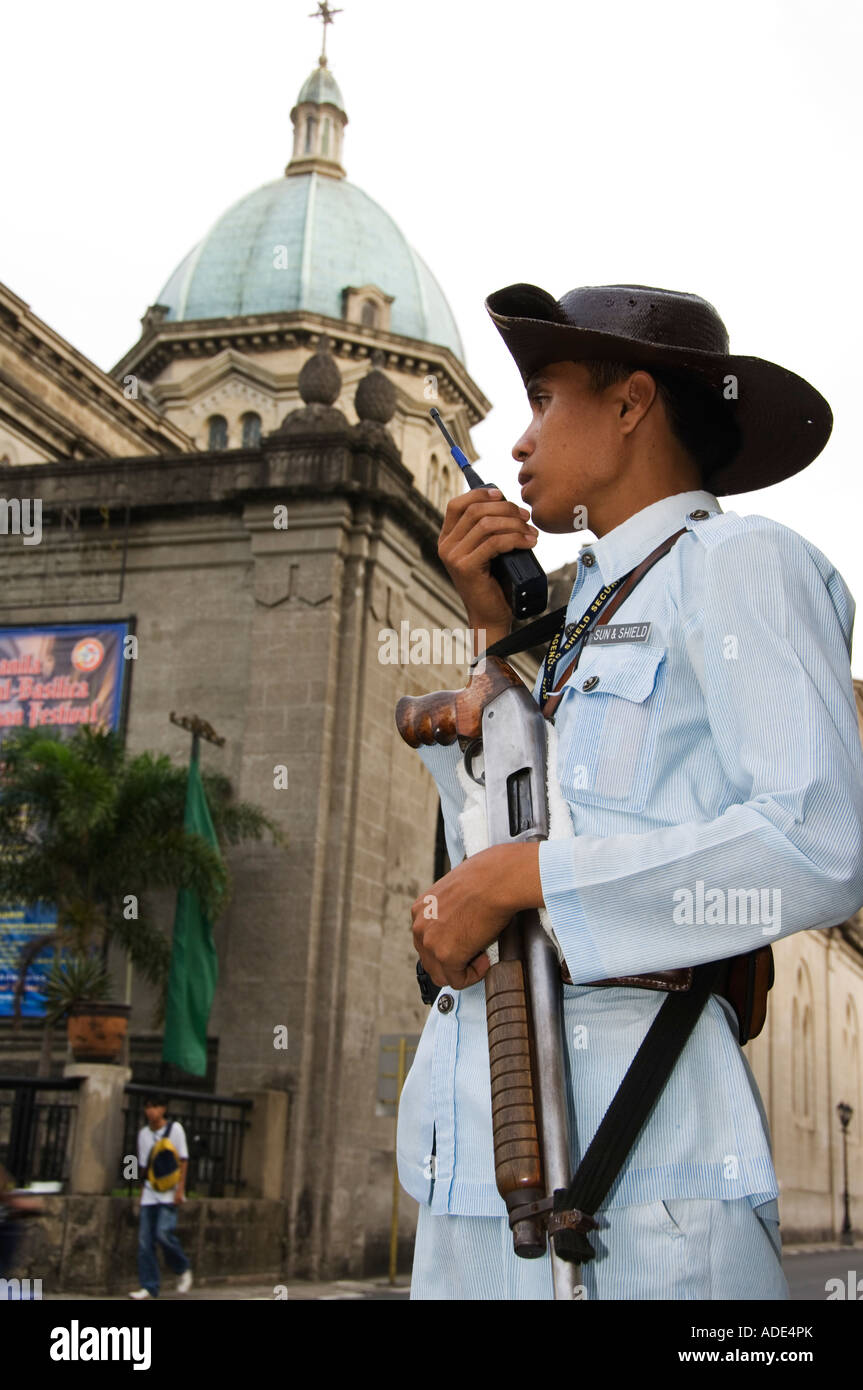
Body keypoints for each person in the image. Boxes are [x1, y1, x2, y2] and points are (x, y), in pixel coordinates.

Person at [396, 281, 863, 1299]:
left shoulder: (741, 564)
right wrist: (493, 637)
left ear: (629, 402)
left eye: (543, 399)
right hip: (484, 1138)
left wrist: (530, 879)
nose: (515, 445)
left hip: (645, 1161)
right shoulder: (573, 627)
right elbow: (518, 842)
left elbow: (816, 840)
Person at [128, 1092, 193, 1299]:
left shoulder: (175, 1130)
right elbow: (143, 1166)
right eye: (147, 1107)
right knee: (145, 1242)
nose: (151, 1111)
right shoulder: (143, 1134)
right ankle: (149, 1286)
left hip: (169, 1192)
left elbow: (183, 1160)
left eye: (155, 1107)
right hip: (150, 1191)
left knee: (163, 1234)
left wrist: (181, 1190)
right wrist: (140, 1194)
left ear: (163, 1109)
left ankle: (182, 1268)